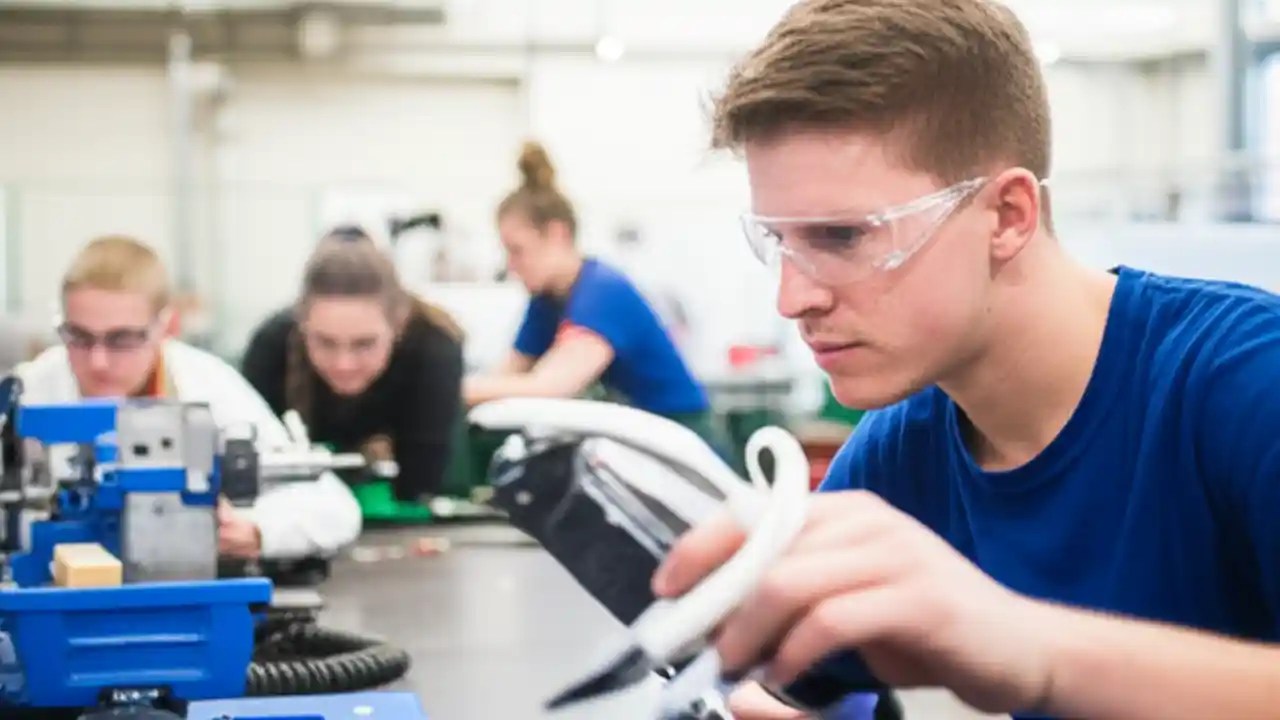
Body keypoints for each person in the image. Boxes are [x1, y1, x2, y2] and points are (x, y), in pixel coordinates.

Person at [650, 1, 1280, 719]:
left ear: (1008, 216)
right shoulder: (902, 453)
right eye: (781, 243)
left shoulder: (1246, 384)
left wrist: (1035, 653)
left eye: (844, 236)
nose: (792, 298)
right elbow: (795, 687)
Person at [16, 235, 361, 560]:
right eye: (78, 336)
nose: (98, 361)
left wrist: (256, 530)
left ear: (167, 327)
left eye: (122, 339)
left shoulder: (207, 385)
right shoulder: (30, 391)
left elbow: (332, 505)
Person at [465, 142, 718, 446]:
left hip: (684, 439)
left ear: (558, 234)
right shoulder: (546, 302)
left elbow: (551, 386)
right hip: (640, 441)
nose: (511, 265)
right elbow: (506, 376)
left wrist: (445, 388)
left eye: (518, 250)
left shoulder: (602, 292)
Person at [241, 227, 465, 504]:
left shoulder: (433, 348)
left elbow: (422, 484)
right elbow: (252, 475)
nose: (344, 364)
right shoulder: (272, 346)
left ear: (397, 326)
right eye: (325, 342)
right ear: (302, 326)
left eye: (364, 344)